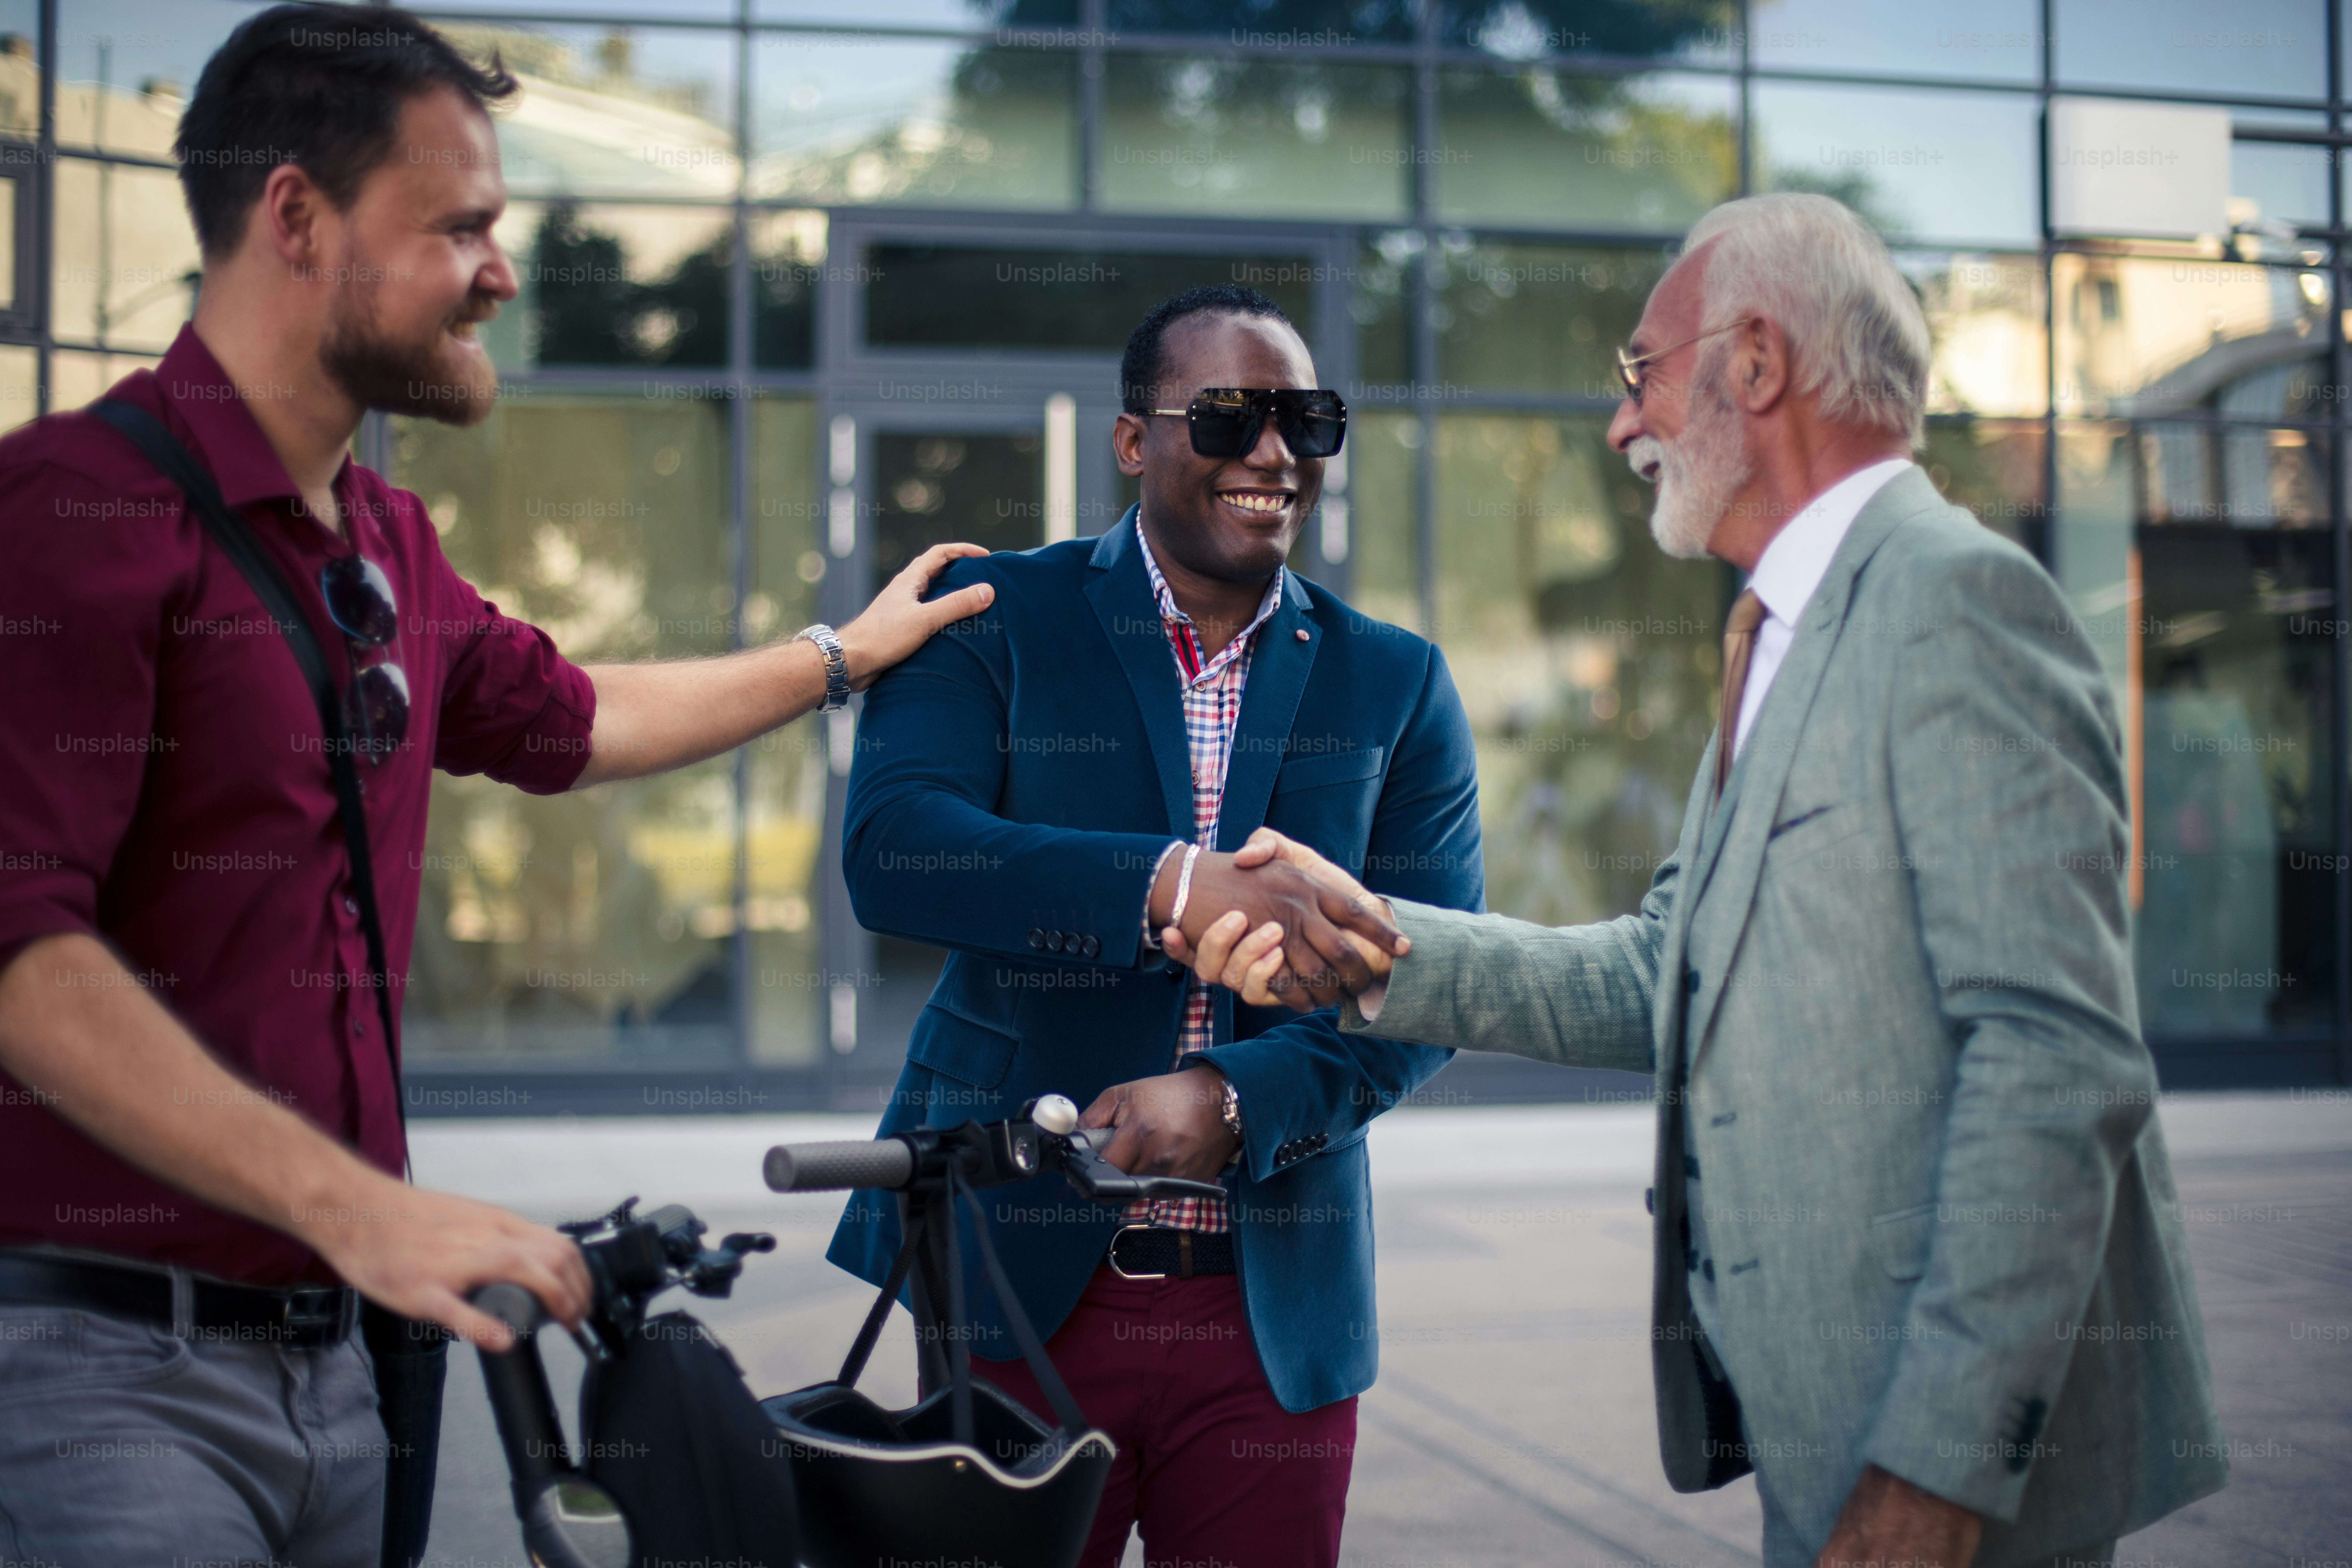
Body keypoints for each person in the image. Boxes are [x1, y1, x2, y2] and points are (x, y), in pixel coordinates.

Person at [0, 7, 992, 1565]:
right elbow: (23, 959)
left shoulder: (387, 550)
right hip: (104, 1376)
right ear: (298, 220)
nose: (502, 269)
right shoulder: (74, 511)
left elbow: (580, 719)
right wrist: (363, 1209)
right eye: (461, 225)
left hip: (341, 1368)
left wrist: (841, 656)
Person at [1167, 195, 2228, 1568]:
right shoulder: (1776, 636)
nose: (1622, 425)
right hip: (1819, 1428)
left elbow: (2055, 1060)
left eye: (1640, 371)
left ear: (1755, 363)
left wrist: (1933, 1473)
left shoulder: (1955, 604)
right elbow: (1656, 972)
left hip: (1935, 1467)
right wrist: (1363, 937)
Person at [826, 284, 1480, 1566]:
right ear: (1134, 441)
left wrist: (1230, 1102)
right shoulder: (989, 614)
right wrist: (1171, 884)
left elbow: (1431, 985)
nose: (1273, 453)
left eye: (1305, 420)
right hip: (1017, 1281)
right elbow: (897, 852)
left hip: (1272, 1310)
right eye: (1231, 416)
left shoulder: (1392, 679)